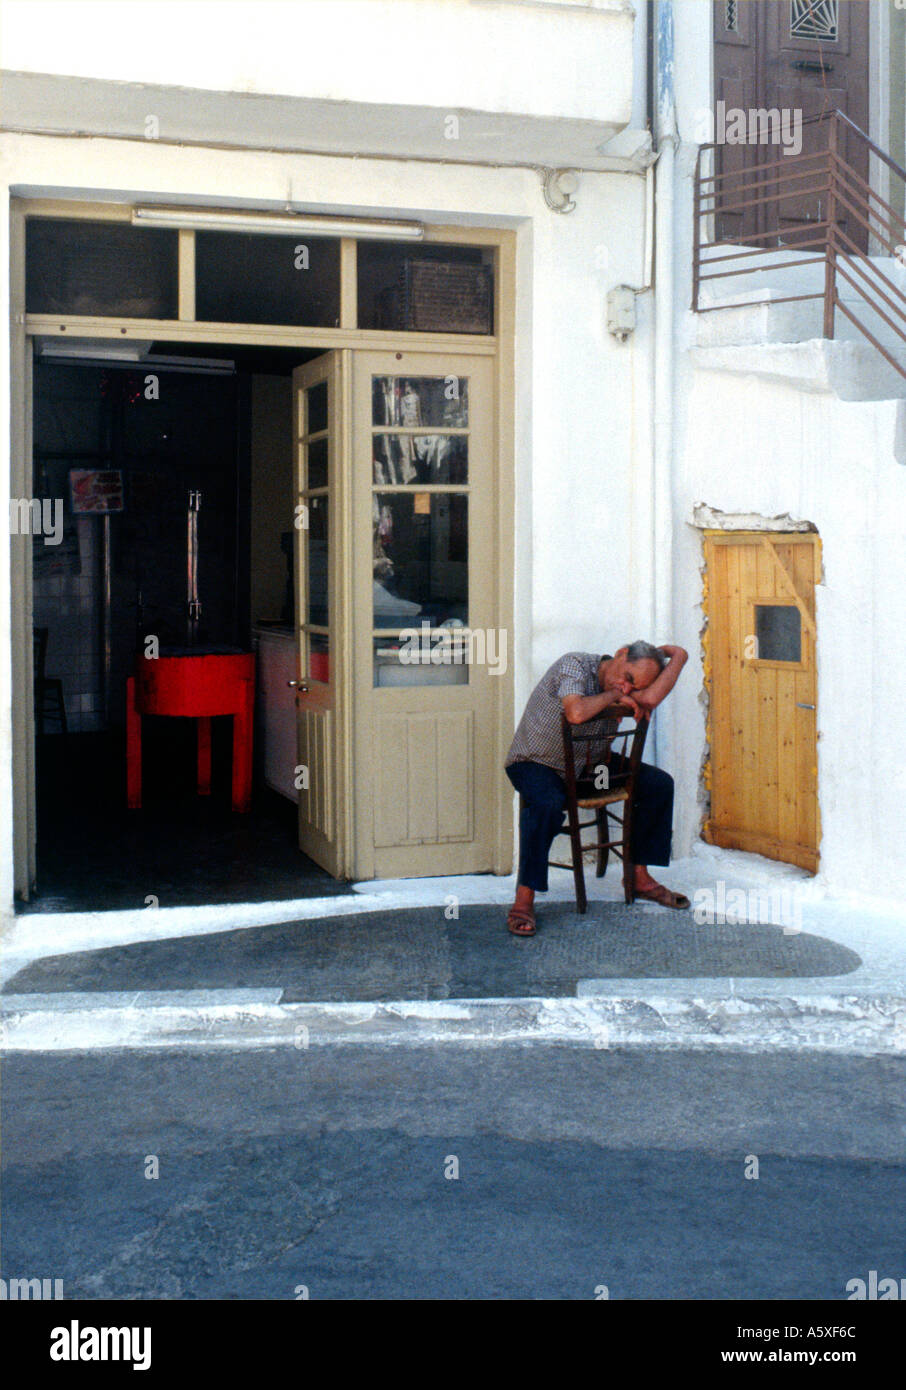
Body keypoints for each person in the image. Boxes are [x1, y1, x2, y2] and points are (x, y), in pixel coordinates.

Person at [504, 641, 689, 936]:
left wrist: (680, 656)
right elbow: (575, 712)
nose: (627, 689)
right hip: (537, 763)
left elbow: (651, 698)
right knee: (547, 804)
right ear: (621, 653)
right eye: (627, 678)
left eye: (634, 686)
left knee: (657, 785)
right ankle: (524, 899)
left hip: (592, 767)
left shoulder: (627, 685)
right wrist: (616, 695)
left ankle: (638, 878)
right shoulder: (575, 665)